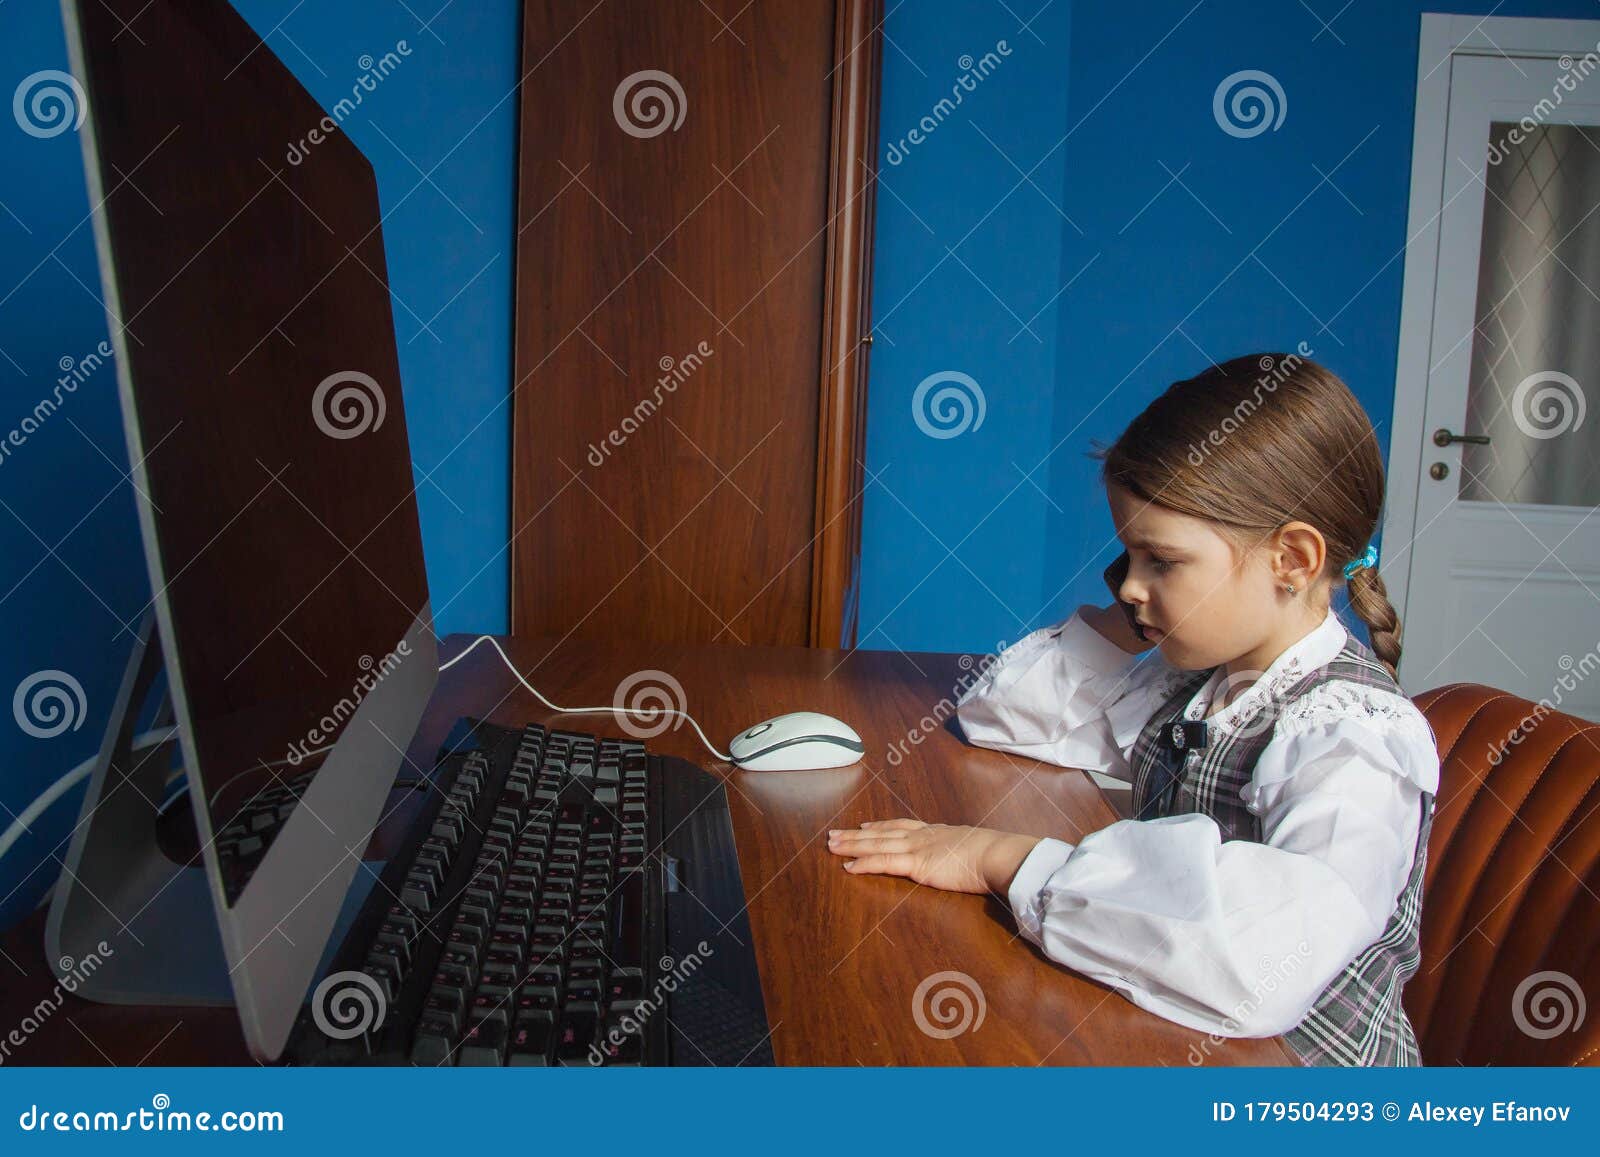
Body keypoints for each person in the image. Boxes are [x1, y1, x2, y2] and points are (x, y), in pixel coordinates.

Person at [827, 352, 1439, 1066]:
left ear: (1293, 560)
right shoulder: (1207, 683)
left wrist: (1004, 857)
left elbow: (1259, 964)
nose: (1132, 586)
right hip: (1172, 1031)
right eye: (1128, 557)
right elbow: (1003, 717)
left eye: (1162, 561)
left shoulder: (1352, 737)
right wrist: (1134, 616)